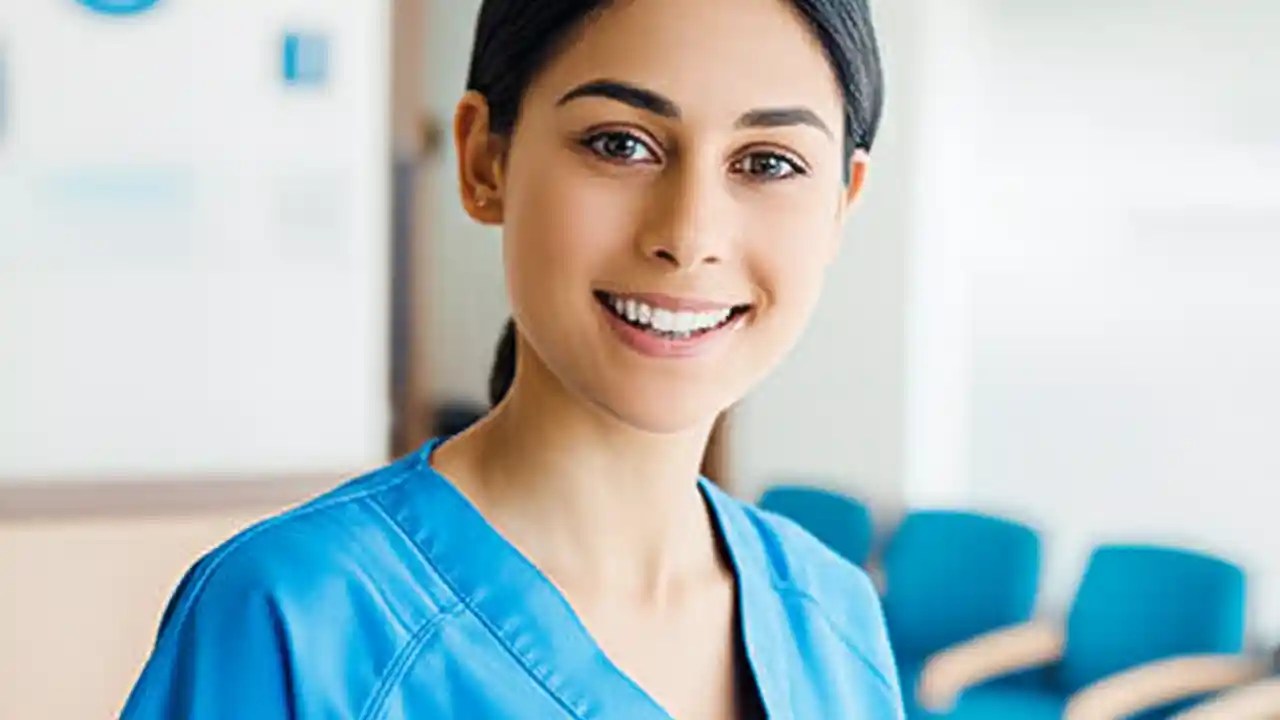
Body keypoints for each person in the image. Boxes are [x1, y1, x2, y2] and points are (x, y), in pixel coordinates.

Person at [121, 0, 900, 716]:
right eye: (620, 144)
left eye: (767, 163)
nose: (689, 235)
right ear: (483, 161)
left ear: (842, 203)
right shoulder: (292, 620)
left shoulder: (835, 622)